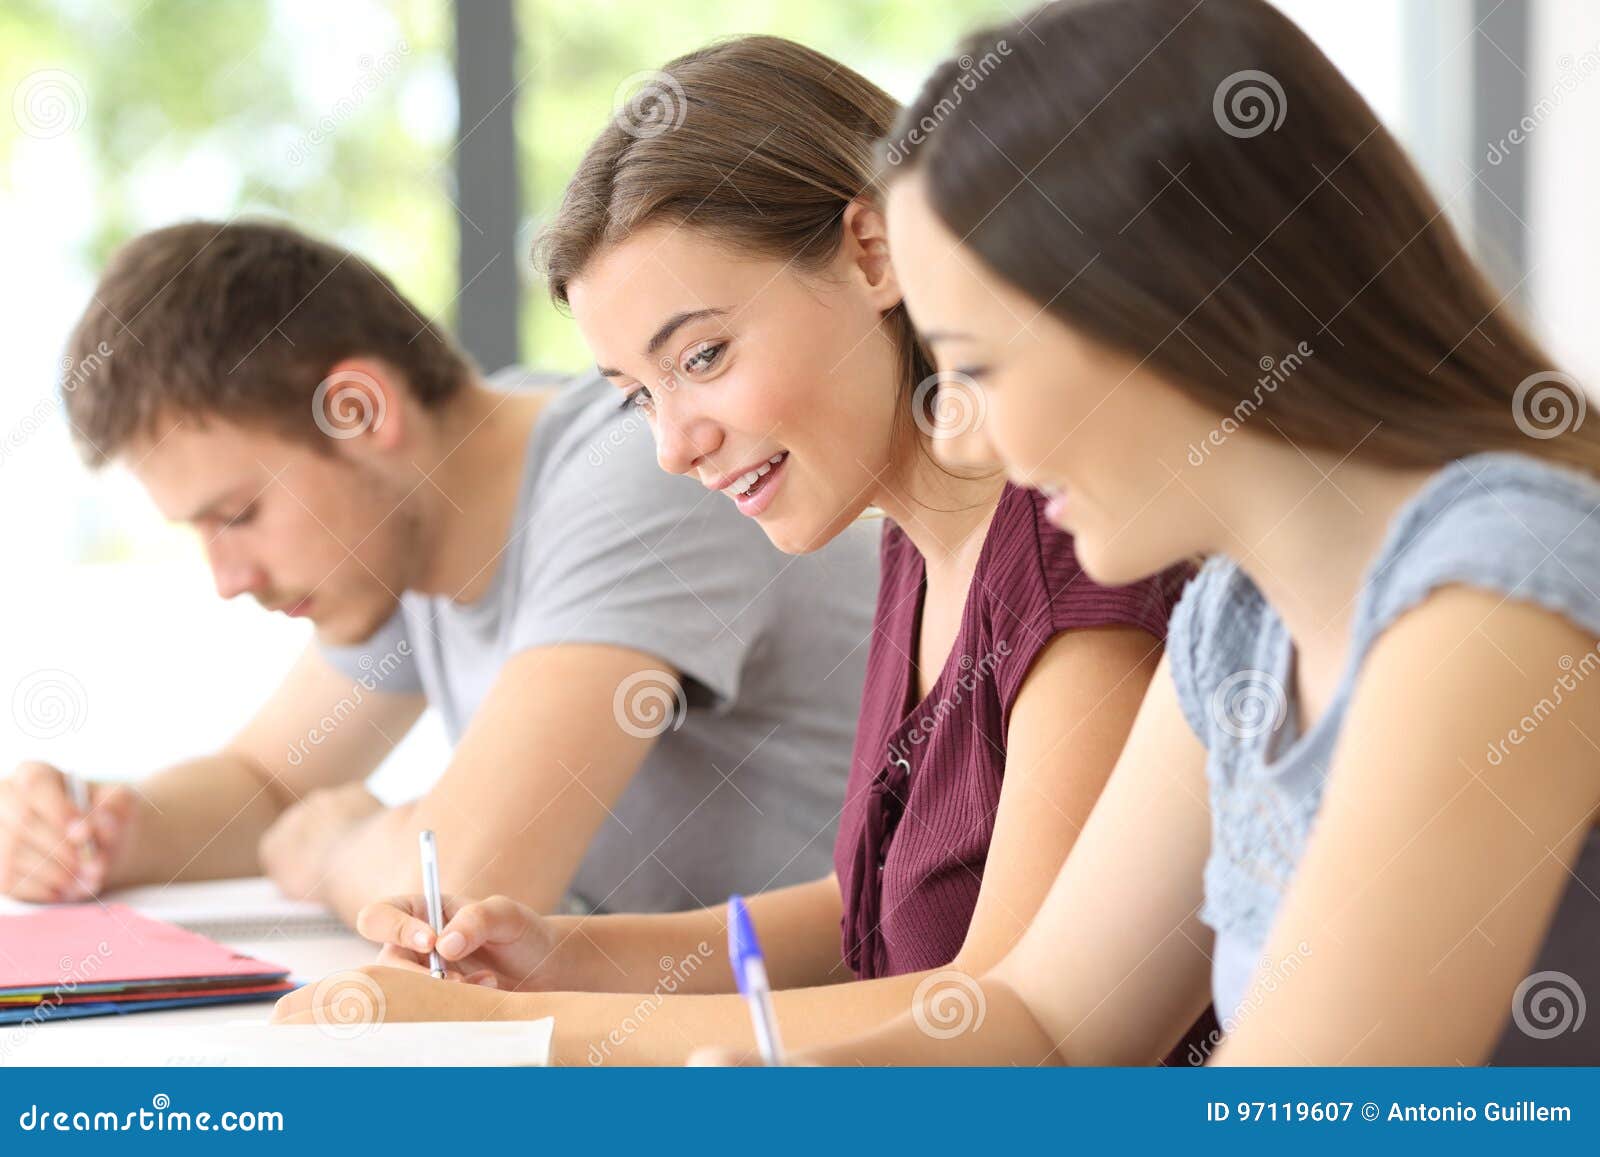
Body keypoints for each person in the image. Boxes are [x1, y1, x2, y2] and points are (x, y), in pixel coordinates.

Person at [272, 34, 1194, 1064]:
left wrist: (512, 1030)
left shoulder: (1075, 552)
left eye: (702, 356)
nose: (673, 445)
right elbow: (874, 913)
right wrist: (563, 957)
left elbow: (990, 1008)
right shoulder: (913, 542)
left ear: (872, 251)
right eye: (637, 395)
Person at [765, 0, 1599, 1065]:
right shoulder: (1233, 624)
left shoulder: (1497, 586)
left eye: (974, 364)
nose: (959, 433)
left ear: (1158, 311)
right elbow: (1051, 1022)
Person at [0, 219, 881, 925]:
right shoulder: (407, 541)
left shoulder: (639, 471)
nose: (228, 577)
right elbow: (265, 785)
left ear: (361, 410)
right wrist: (94, 827)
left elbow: (460, 883)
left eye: (237, 515)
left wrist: (343, 845)